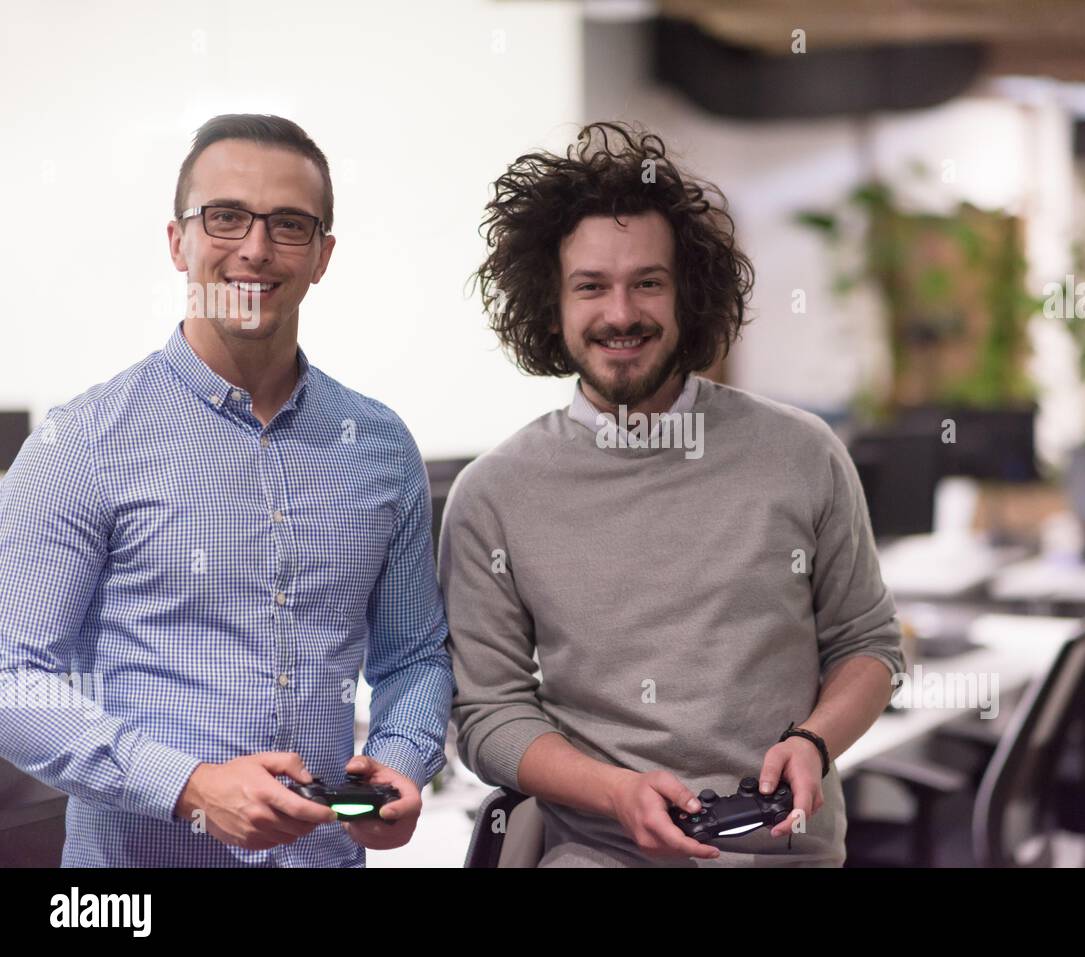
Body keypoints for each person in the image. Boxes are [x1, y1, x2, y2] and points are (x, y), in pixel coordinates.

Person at [443, 122, 903, 866]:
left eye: (647, 283)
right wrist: (612, 790)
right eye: (591, 286)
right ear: (551, 304)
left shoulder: (802, 452)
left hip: (783, 853)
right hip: (598, 854)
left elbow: (867, 645)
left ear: (688, 293)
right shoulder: (492, 495)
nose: (621, 313)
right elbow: (487, 716)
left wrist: (814, 740)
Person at [0, 114, 454, 866]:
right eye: (226, 217)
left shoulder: (378, 447)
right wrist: (191, 787)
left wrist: (402, 759)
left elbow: (414, 657)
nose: (254, 247)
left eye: (288, 224)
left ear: (321, 256)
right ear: (178, 242)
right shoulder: (81, 443)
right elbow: (14, 679)